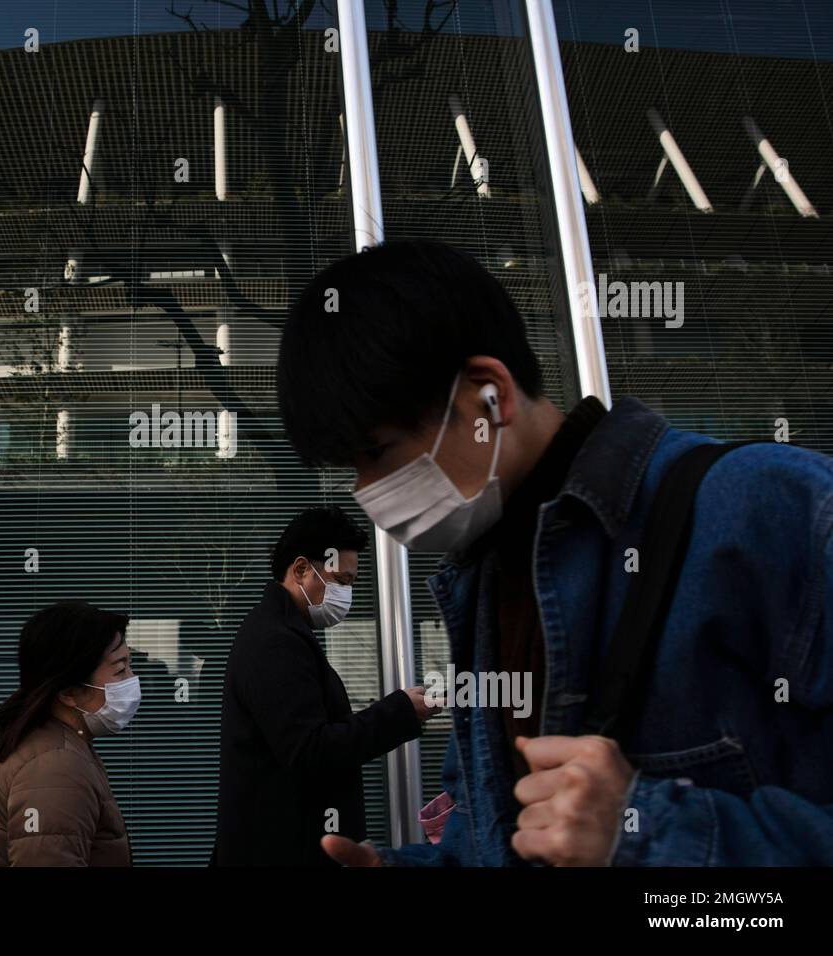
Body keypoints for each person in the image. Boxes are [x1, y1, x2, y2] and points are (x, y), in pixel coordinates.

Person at [276, 239, 833, 866]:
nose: (368, 493)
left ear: (489, 397)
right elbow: (499, 838)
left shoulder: (771, 509)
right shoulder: (484, 583)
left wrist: (641, 834)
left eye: (377, 452)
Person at [212, 506, 438, 866]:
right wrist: (399, 711)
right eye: (341, 581)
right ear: (301, 569)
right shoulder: (276, 641)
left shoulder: (283, 632)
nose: (345, 594)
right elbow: (311, 751)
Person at [0, 600, 136, 866]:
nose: (132, 679)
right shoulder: (55, 767)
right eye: (120, 669)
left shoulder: (55, 745)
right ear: (69, 693)